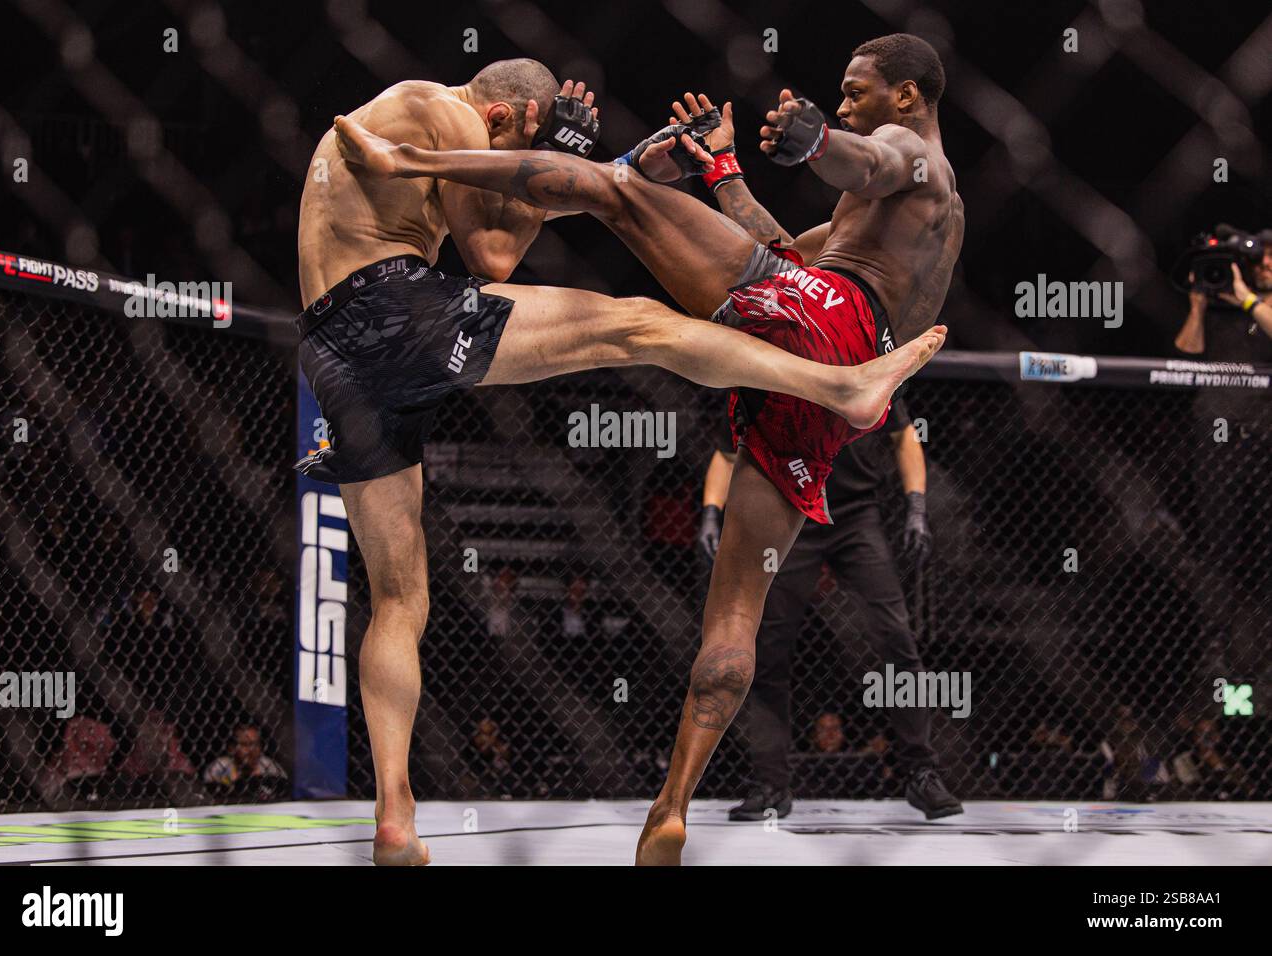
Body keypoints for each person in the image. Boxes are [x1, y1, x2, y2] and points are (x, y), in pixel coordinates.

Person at [300, 58, 942, 866]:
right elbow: (495, 253)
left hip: (332, 350)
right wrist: (565, 165)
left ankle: (395, 820)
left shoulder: (395, 108)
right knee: (635, 323)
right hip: (399, 309)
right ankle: (841, 387)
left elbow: (592, 191)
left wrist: (653, 165)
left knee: (399, 597)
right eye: (527, 140)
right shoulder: (455, 118)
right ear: (508, 121)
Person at [700, 398, 962, 821]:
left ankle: (921, 771)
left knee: (896, 639)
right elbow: (728, 451)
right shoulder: (773, 354)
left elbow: (904, 435)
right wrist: (711, 511)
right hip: (791, 513)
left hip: (856, 516)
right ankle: (770, 783)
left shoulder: (861, 351)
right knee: (768, 648)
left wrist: (916, 506)